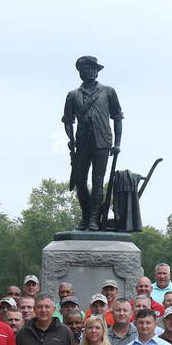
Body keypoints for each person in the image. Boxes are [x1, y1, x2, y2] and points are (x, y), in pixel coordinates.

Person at [63, 55, 122, 230]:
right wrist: (71, 140)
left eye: (91, 68)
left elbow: (117, 117)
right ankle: (86, 216)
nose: (88, 72)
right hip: (81, 143)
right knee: (80, 181)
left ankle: (93, 220)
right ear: (79, 73)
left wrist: (117, 143)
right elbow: (68, 120)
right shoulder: (72, 95)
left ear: (96, 71)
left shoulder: (108, 91)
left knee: (98, 181)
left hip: (102, 141)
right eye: (84, 69)